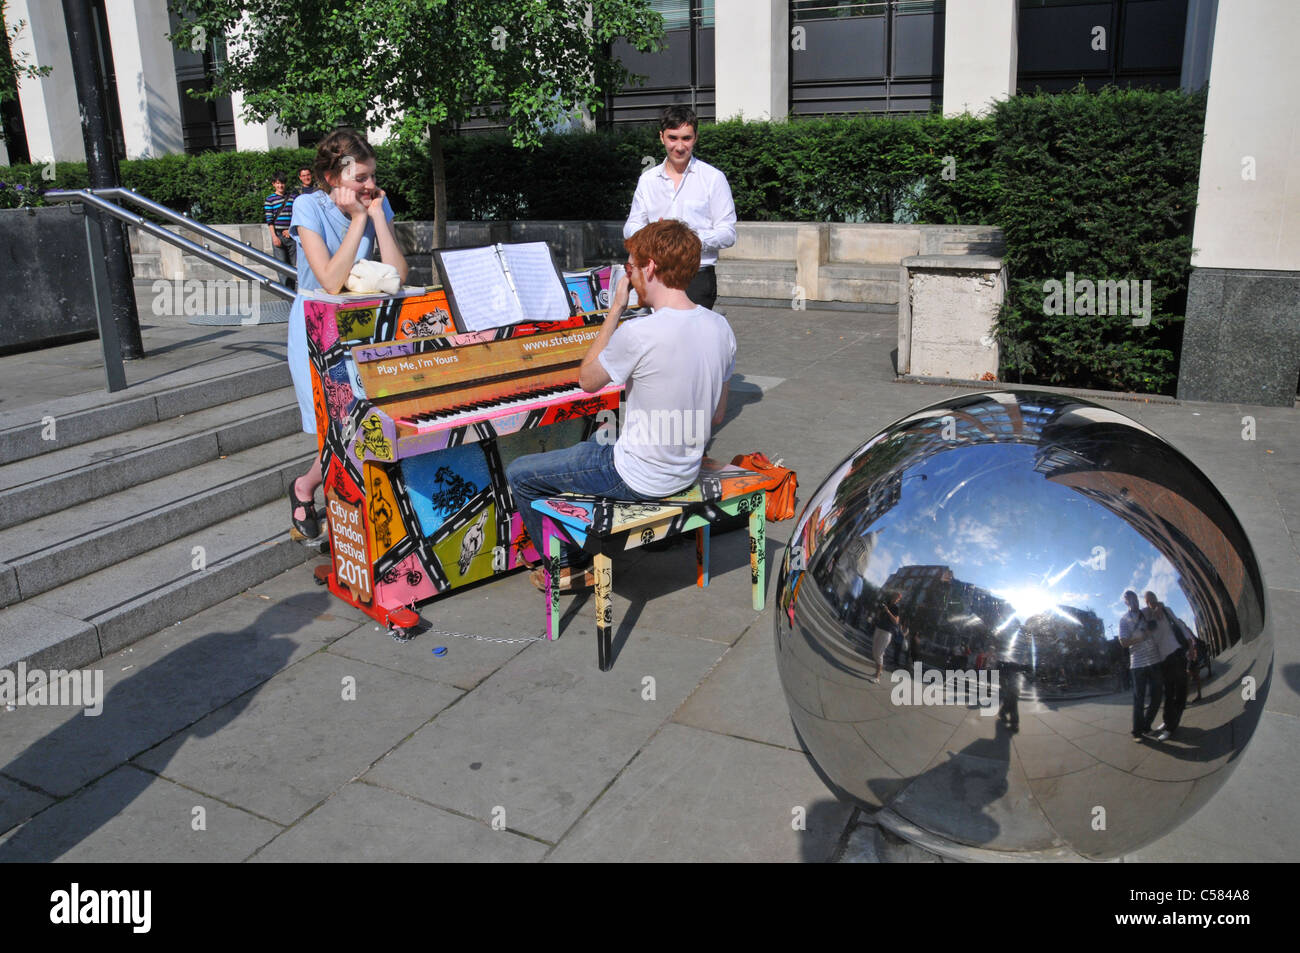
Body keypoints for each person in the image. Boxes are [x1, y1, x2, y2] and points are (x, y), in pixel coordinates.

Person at [506, 219, 735, 591]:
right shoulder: (720, 327)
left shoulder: (638, 331)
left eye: (629, 268)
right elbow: (718, 414)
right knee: (588, 450)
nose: (628, 276)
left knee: (521, 473)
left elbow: (587, 381)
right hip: (685, 471)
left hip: (636, 477)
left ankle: (569, 566)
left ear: (650, 268)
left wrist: (615, 309)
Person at [285, 129, 408, 539]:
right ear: (333, 178)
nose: (370, 186)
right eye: (361, 179)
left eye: (372, 176)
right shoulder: (307, 206)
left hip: (363, 328)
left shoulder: (376, 205)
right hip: (317, 329)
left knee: (362, 424)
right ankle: (339, 516)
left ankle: (312, 489)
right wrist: (359, 219)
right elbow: (331, 281)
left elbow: (397, 275)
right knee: (337, 429)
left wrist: (376, 216)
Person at [623, 105, 736, 311]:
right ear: (662, 137)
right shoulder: (648, 180)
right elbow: (631, 226)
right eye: (673, 138)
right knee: (658, 341)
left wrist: (686, 241)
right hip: (654, 277)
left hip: (696, 276)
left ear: (696, 138)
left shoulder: (713, 178)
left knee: (692, 342)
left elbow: (728, 233)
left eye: (686, 138)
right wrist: (652, 235)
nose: (680, 146)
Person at [1144, 591, 1196, 741]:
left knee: (1179, 692)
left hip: (1176, 653)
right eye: (1148, 601)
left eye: (1153, 599)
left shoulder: (1166, 610)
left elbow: (1179, 624)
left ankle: (1171, 727)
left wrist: (1190, 644)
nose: (1151, 603)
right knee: (1169, 693)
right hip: (1163, 660)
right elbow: (1152, 639)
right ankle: (1167, 721)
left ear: (1157, 598)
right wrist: (1153, 615)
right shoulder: (1149, 618)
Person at [1118, 589, 1162, 742]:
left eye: (1135, 599)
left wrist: (1158, 610)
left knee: (1157, 696)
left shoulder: (1145, 613)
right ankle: (1137, 732)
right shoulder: (1124, 620)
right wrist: (1141, 637)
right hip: (1137, 664)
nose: (1134, 602)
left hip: (1154, 660)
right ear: (1126, 603)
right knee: (1139, 699)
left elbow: (1157, 609)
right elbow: (1123, 642)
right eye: (1130, 600)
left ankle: (1146, 725)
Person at [264, 172, 296, 289]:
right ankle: (286, 291)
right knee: (281, 265)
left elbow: (297, 215)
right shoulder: (269, 200)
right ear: (273, 184)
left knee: (295, 265)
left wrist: (291, 230)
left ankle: (297, 290)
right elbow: (269, 220)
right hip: (278, 234)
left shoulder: (293, 198)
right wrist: (274, 237)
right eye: (278, 183)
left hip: (292, 234)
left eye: (282, 183)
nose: (280, 186)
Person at [871, 591, 903, 683]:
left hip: (887, 631)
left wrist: (888, 611)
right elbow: (879, 613)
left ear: (898, 599)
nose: (896, 598)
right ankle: (879, 671)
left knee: (879, 653)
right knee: (874, 651)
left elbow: (896, 621)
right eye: (895, 596)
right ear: (893, 595)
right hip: (879, 627)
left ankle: (877, 677)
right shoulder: (886, 603)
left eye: (898, 597)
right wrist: (880, 611)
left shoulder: (896, 608)